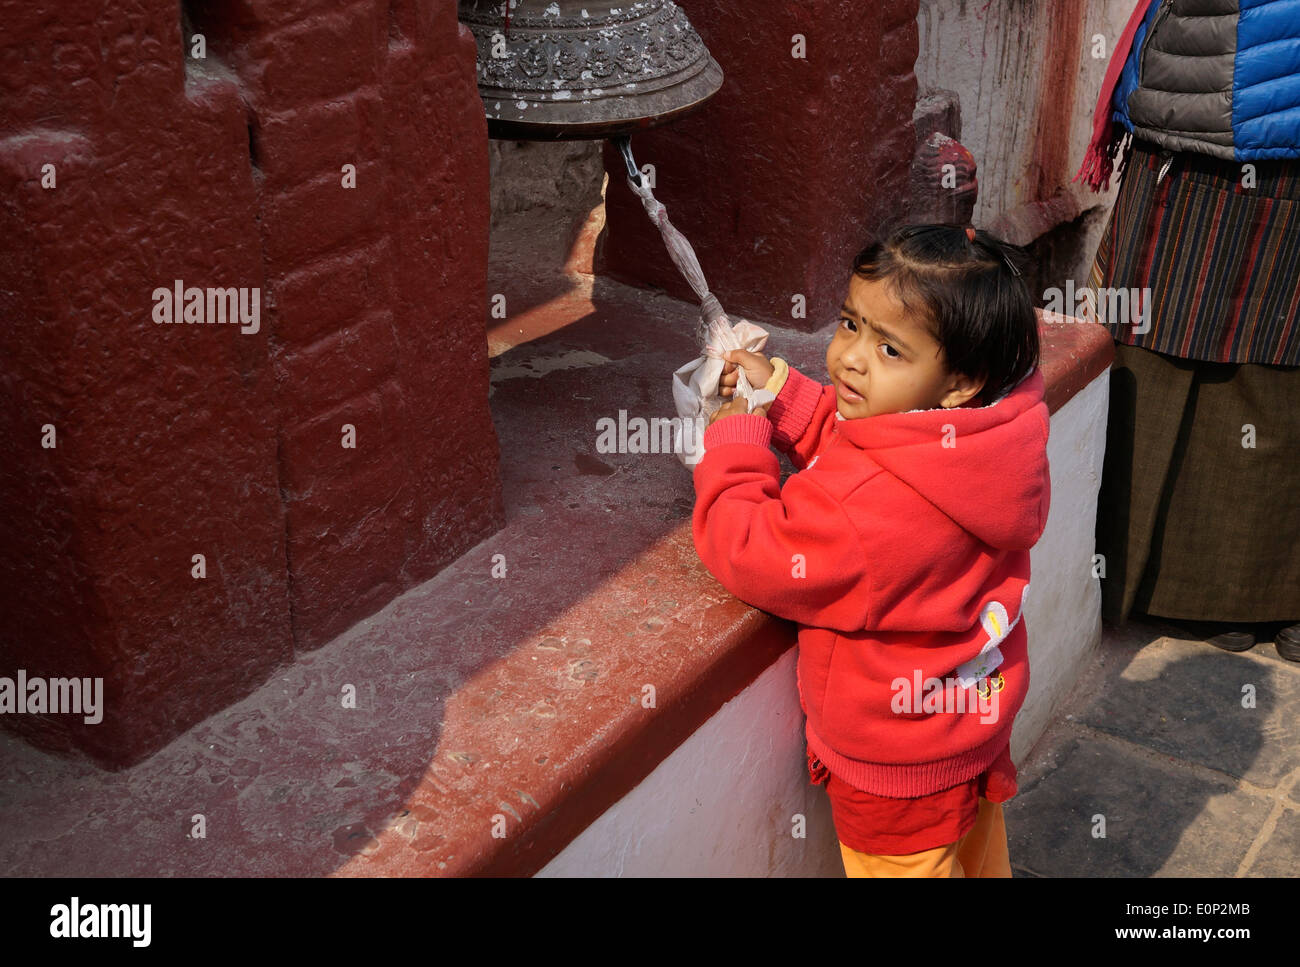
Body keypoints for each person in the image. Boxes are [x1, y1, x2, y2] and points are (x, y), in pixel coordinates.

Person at [692, 223, 1049, 876]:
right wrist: (783, 394)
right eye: (851, 324)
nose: (851, 358)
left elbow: (752, 552)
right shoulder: (987, 442)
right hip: (969, 726)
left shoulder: (861, 511)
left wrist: (736, 447)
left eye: (889, 348)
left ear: (960, 380)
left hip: (896, 769)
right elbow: (876, 440)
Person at [1077, 0, 1300, 659]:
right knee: (1264, 351)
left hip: (1212, 99)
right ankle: (1254, 597)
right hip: (1215, 97)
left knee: (1171, 340)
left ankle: (1190, 590)